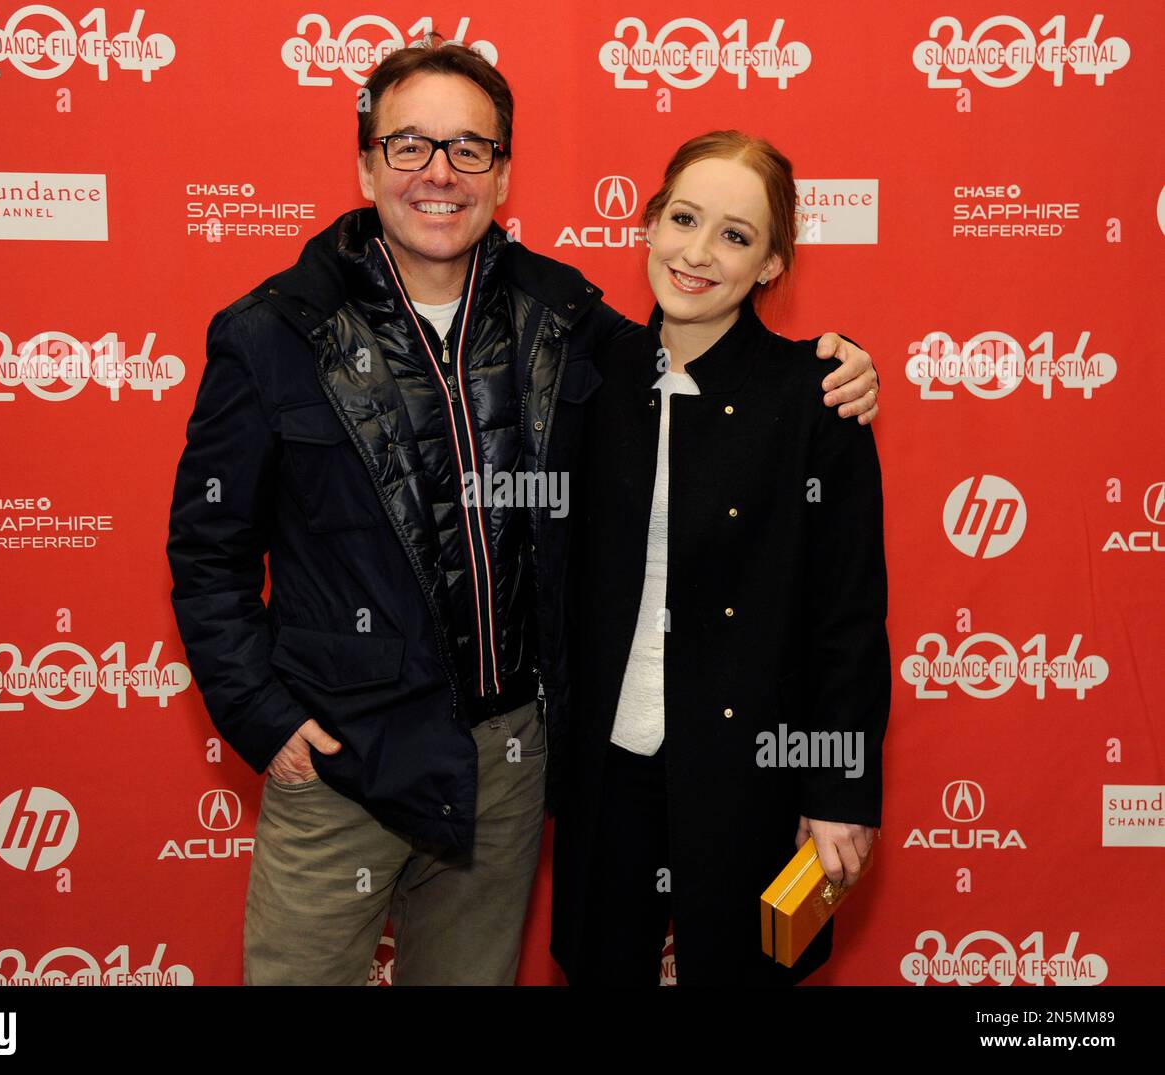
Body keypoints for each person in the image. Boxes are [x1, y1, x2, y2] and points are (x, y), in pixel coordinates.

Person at [166, 36, 880, 986]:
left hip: (513, 760)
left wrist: (838, 365)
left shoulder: (559, 320)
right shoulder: (275, 333)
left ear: (502, 173)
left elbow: (840, 605)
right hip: (347, 761)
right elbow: (207, 550)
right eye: (410, 145)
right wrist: (263, 716)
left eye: (470, 150)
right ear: (366, 160)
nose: (439, 173)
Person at [550, 131, 891, 987]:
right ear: (649, 225)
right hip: (607, 759)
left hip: (751, 770)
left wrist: (839, 790)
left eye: (736, 236)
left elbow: (845, 616)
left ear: (774, 264)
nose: (697, 253)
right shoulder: (583, 370)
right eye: (683, 218)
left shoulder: (816, 398)